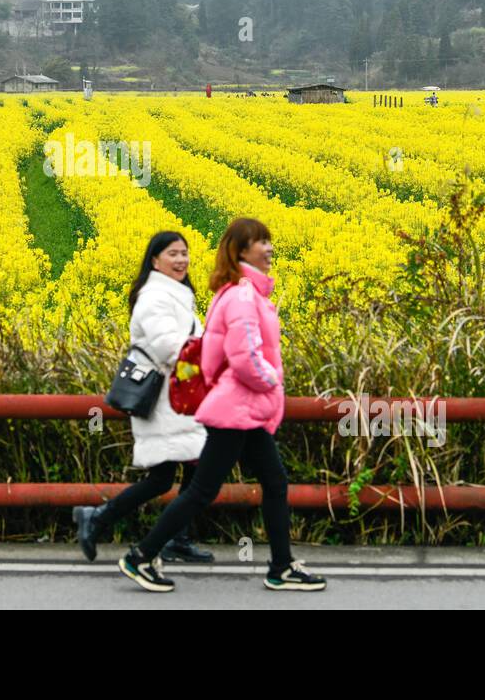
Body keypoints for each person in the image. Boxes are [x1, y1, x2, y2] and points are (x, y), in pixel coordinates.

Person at [118, 218, 325, 593]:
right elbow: (242, 355)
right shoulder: (243, 294)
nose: (269, 248)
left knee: (273, 483)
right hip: (238, 410)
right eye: (262, 241)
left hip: (242, 409)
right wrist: (271, 381)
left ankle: (281, 566)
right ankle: (141, 556)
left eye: (269, 240)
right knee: (203, 490)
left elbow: (209, 356)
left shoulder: (235, 291)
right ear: (242, 250)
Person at [73, 232, 213, 563]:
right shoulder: (154, 298)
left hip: (183, 399)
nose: (181, 260)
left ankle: (176, 538)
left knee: (194, 466)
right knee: (165, 476)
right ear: (155, 260)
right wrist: (213, 353)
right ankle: (98, 518)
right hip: (164, 400)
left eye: (184, 253)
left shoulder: (178, 296)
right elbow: (169, 346)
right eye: (172, 254)